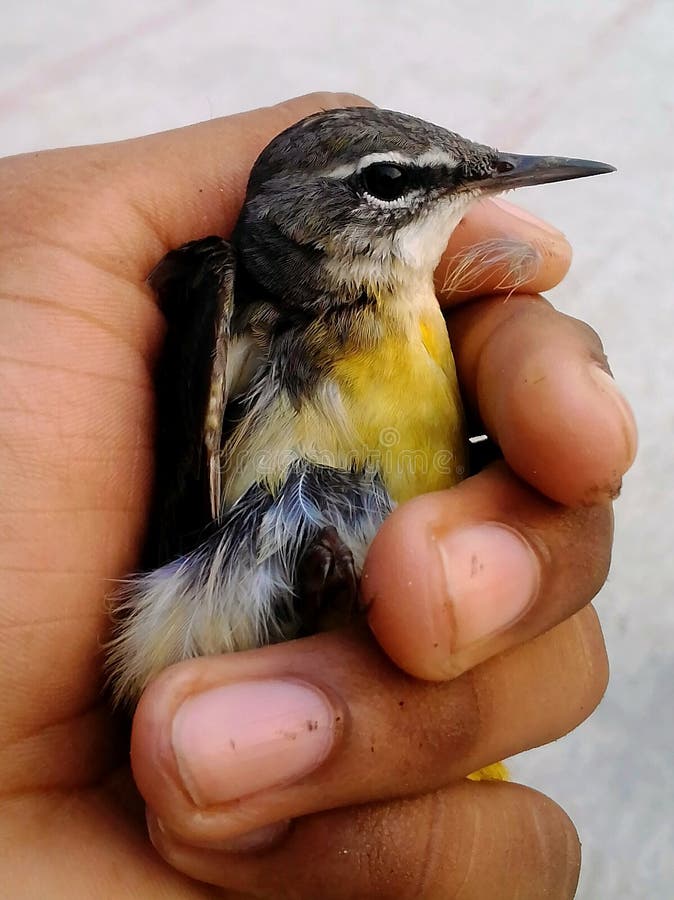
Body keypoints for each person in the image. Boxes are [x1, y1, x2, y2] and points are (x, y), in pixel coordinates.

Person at [0, 92, 635, 898]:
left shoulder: (435, 320)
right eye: (391, 183)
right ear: (304, 219)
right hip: (200, 685)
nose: (491, 185)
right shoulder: (242, 315)